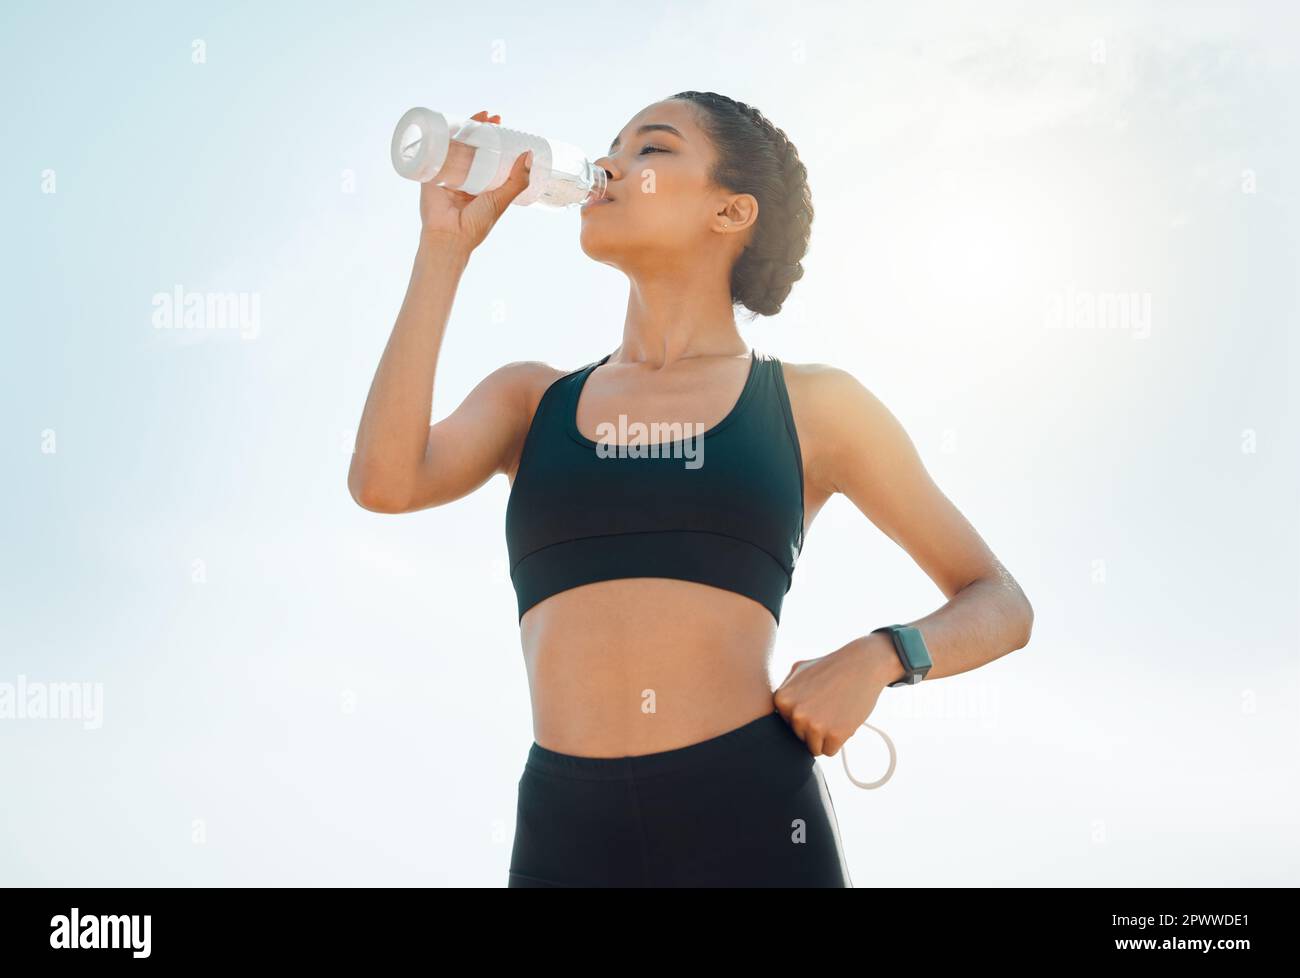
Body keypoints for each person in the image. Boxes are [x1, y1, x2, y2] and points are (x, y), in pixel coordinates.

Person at [348, 92, 1034, 887]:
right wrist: (443, 248)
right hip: (564, 835)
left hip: (748, 815)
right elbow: (383, 482)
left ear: (731, 211)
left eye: (654, 149)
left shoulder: (814, 405)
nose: (610, 164)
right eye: (611, 145)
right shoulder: (531, 402)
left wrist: (883, 656)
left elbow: (1001, 602)